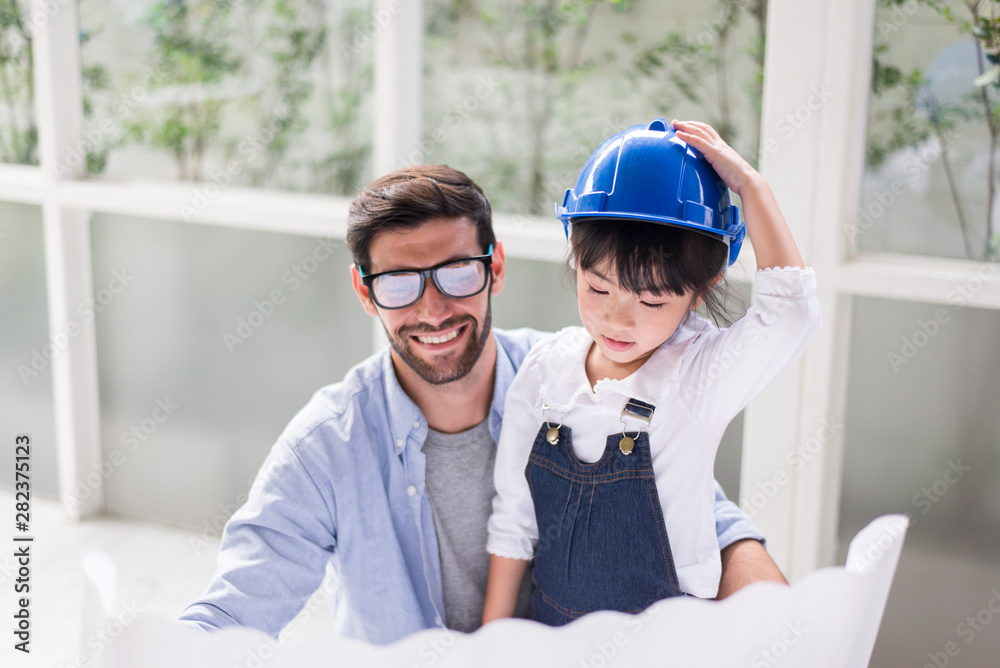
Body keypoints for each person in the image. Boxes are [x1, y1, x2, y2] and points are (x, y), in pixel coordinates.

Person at [178, 161, 789, 645]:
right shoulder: (326, 447)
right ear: (366, 293)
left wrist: (780, 628)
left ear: (495, 267)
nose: (433, 309)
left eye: (457, 272)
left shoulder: (569, 379)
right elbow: (232, 611)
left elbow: (704, 518)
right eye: (399, 283)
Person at [481, 120, 821, 626]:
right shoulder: (544, 369)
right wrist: (491, 642)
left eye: (652, 301)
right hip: (556, 637)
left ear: (703, 287)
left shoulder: (698, 377)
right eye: (598, 289)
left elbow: (791, 315)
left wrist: (751, 186)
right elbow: (514, 521)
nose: (617, 320)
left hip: (666, 642)